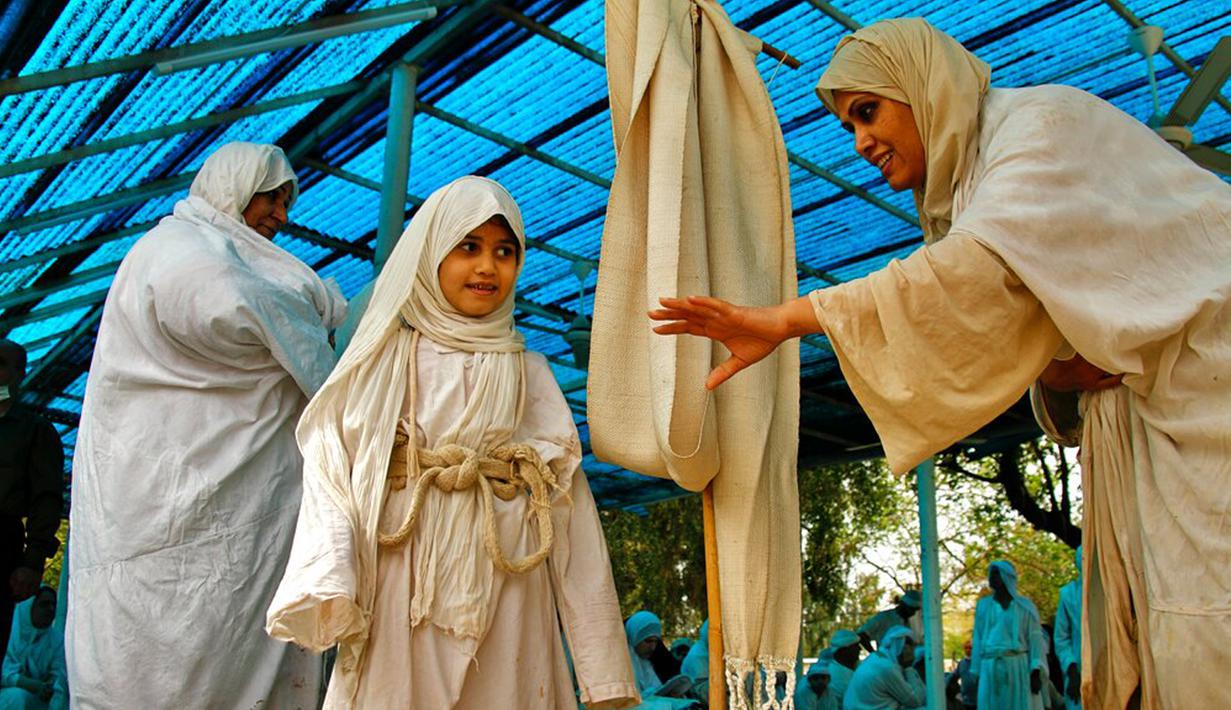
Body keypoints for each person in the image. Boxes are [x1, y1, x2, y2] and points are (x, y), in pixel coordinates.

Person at [648, 17, 1231, 708]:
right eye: (847, 126)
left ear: (922, 88)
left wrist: (786, 319)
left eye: (867, 112)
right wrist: (1056, 366)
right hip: (1149, 421)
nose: (860, 142)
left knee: (1206, 628)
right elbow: (1021, 317)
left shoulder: (1039, 126)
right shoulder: (972, 193)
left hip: (1205, 401)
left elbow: (969, 275)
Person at [265, 176, 636, 709]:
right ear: (431, 250)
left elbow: (568, 508)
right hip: (404, 576)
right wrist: (330, 578)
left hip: (508, 580)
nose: (487, 266)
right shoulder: (383, 359)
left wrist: (602, 670)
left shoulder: (530, 373)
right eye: (469, 247)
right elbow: (331, 462)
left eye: (504, 251)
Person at [68, 142, 344, 708]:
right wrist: (304, 320)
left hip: (246, 509)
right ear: (231, 188)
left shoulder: (233, 257)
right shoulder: (178, 248)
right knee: (167, 634)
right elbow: (222, 306)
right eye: (269, 196)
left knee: (231, 629)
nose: (281, 215)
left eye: (286, 200)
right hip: (165, 507)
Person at [0, 340, 63, 659]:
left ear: (18, 374)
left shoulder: (35, 430)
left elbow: (47, 499)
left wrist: (33, 561)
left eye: (1, 364)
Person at [971, 561, 1045, 710]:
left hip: (1017, 665)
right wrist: (975, 670)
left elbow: (1035, 640)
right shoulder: (984, 606)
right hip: (990, 666)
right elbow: (978, 638)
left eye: (995, 574)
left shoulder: (1025, 607)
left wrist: (1035, 670)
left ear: (1006, 577)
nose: (991, 578)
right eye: (991, 574)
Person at [0, 586, 66, 710]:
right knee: (17, 697)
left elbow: (59, 676)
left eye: (53, 604)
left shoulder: (57, 640)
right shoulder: (10, 631)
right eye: (44, 604)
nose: (50, 609)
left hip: (37, 700)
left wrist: (50, 686)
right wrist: (26, 683)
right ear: (29, 606)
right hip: (6, 695)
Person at [843, 626, 925, 710]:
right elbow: (916, 701)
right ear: (902, 646)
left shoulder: (878, 657)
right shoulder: (887, 667)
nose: (913, 651)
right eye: (912, 646)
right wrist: (909, 667)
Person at [1053, 548, 1081, 709]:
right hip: (1078, 667)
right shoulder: (1068, 594)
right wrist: (1071, 670)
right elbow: (1061, 638)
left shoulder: (1112, 591)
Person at [858, 590, 922, 651]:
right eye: (911, 609)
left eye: (916, 610)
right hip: (888, 660)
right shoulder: (884, 617)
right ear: (903, 605)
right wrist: (876, 655)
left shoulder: (915, 620)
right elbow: (862, 635)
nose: (913, 613)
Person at [828, 628, 863, 705]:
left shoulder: (860, 667)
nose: (860, 649)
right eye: (856, 646)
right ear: (844, 650)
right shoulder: (834, 675)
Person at [954, 639, 977, 710]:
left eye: (970, 648)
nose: (968, 650)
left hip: (978, 701)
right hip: (965, 701)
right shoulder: (961, 663)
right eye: (966, 648)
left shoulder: (979, 663)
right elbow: (954, 676)